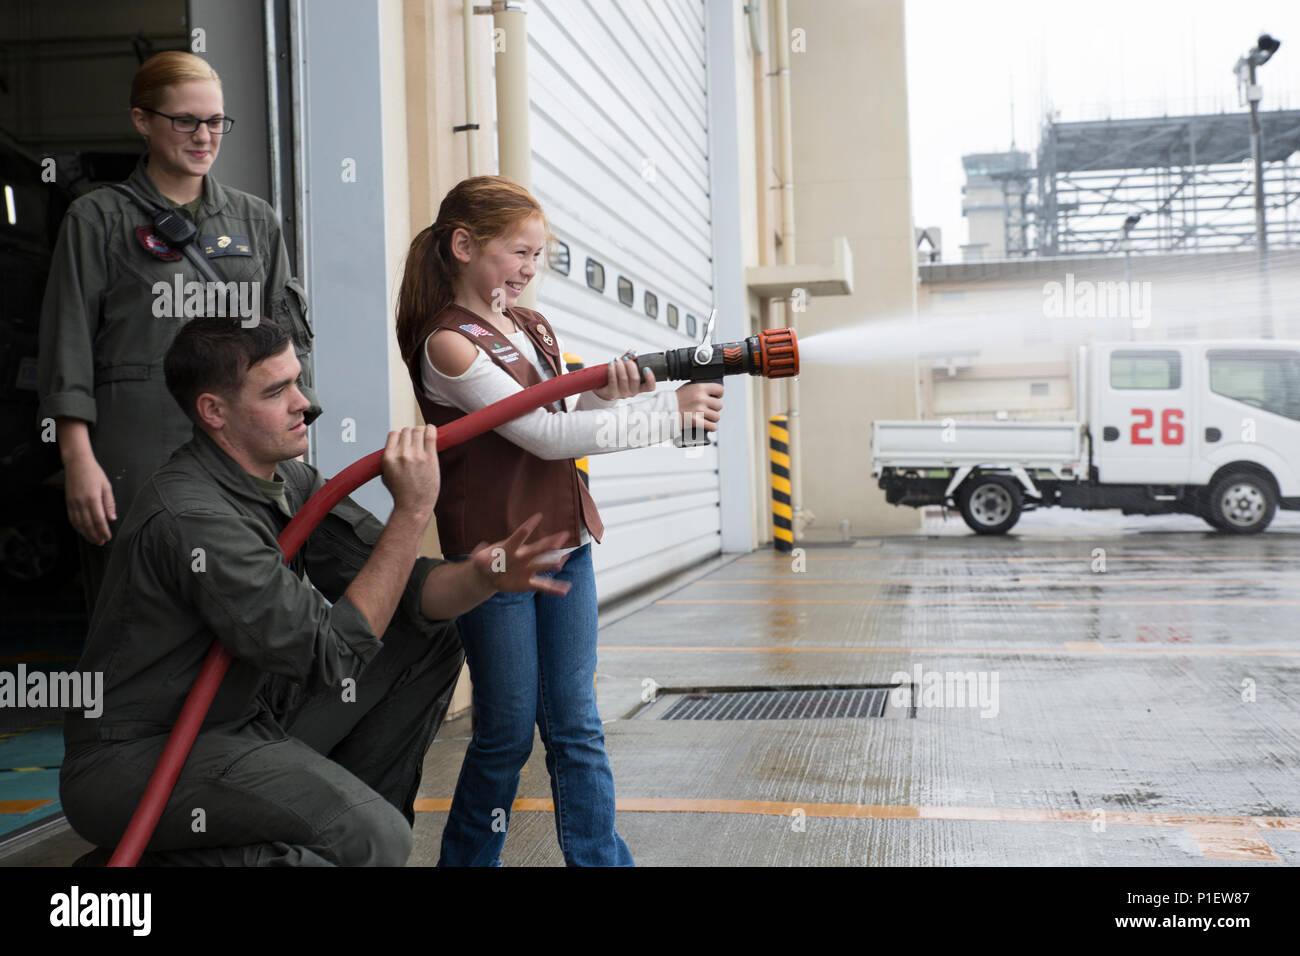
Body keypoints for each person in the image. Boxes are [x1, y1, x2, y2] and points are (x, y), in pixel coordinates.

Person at [59, 316, 572, 866]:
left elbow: (406, 592)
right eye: (276, 391)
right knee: (375, 840)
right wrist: (413, 510)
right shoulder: (194, 516)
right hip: (144, 756)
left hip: (243, 721)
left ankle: (346, 822)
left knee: (428, 639)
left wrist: (482, 577)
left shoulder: (289, 481)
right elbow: (335, 655)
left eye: (297, 381)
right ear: (213, 411)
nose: (305, 403)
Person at [395, 175, 725, 866]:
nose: (529, 270)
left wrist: (609, 394)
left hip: (567, 545)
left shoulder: (535, 325)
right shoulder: (447, 345)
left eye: (538, 256)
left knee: (576, 726)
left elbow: (571, 423)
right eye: (519, 253)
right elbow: (544, 437)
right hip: (497, 563)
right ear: (462, 246)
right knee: (507, 734)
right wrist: (672, 416)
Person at [37, 50, 316, 615]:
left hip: (238, 440)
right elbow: (66, 345)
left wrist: (292, 434)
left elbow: (285, 342)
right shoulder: (95, 218)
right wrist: (77, 460)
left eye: (214, 121)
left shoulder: (255, 220)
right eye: (185, 120)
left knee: (243, 604)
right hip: (135, 445)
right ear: (142, 120)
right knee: (137, 608)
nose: (204, 136)